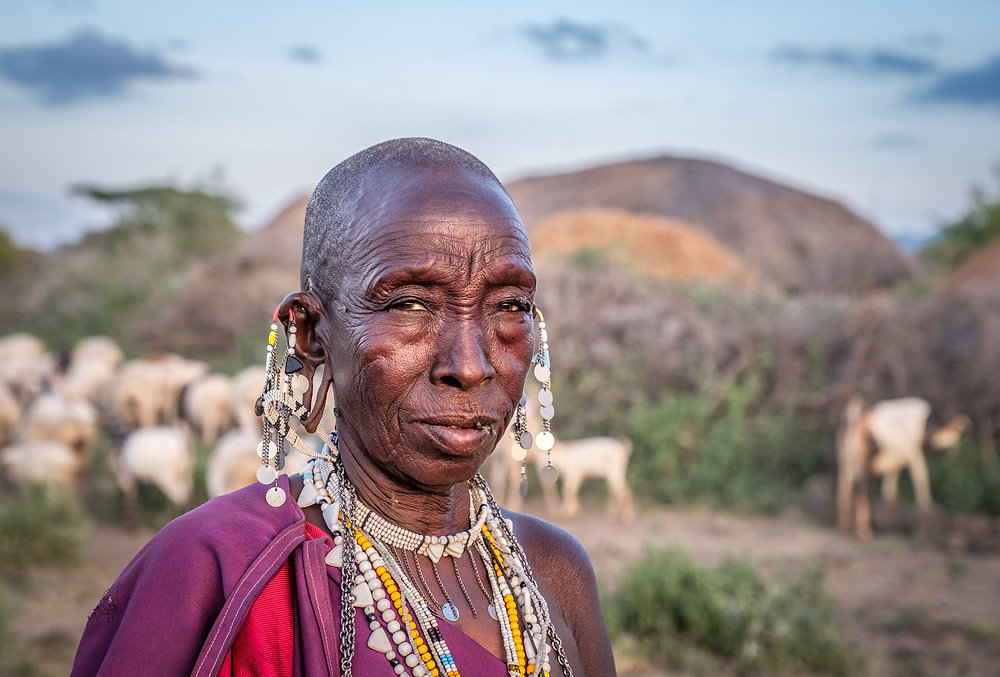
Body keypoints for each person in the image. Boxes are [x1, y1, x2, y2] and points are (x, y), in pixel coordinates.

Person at [71, 138, 617, 676]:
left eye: (509, 305)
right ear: (310, 334)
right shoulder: (217, 571)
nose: (471, 365)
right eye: (409, 304)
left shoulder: (555, 569)